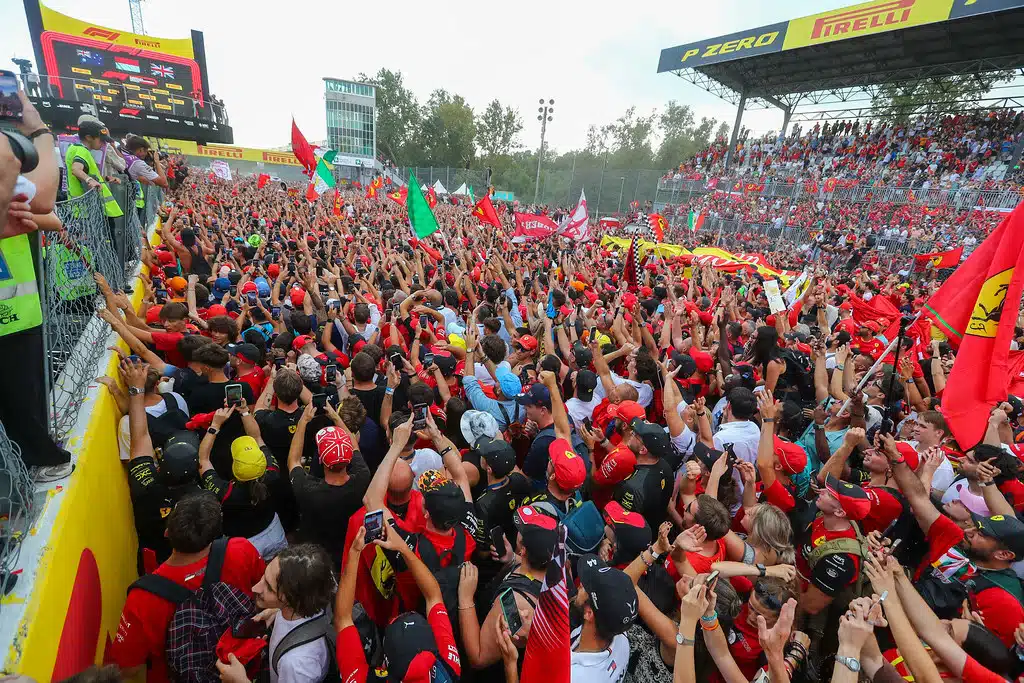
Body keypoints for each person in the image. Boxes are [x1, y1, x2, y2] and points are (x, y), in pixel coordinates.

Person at [106, 492, 266, 683]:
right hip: (241, 668)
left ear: (167, 533)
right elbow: (263, 597)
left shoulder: (143, 597)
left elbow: (127, 668)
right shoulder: (241, 549)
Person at [0, 92, 71, 480]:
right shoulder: (9, 153)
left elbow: (50, 217)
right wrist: (40, 130)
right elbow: (44, 200)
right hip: (12, 310)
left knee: (22, 396)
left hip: (16, 309)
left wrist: (26, 217)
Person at [218, 544, 337, 683]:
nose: (255, 588)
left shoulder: (295, 664)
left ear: (293, 600)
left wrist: (240, 681)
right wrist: (276, 610)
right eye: (264, 575)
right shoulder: (317, 588)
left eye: (268, 587)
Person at [287, 401, 370, 562]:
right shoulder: (363, 477)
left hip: (318, 557)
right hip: (350, 551)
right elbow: (355, 449)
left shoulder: (308, 490)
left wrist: (303, 421)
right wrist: (336, 417)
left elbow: (293, 461)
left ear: (321, 460)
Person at [200, 403, 286, 558]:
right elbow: (257, 437)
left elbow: (203, 459)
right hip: (273, 531)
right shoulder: (272, 473)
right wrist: (245, 412)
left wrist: (215, 425)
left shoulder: (226, 493)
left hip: (246, 545)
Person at [571, 554, 639, 681]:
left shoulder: (573, 676)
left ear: (589, 613)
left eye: (585, 587)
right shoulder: (620, 634)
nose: (580, 586)